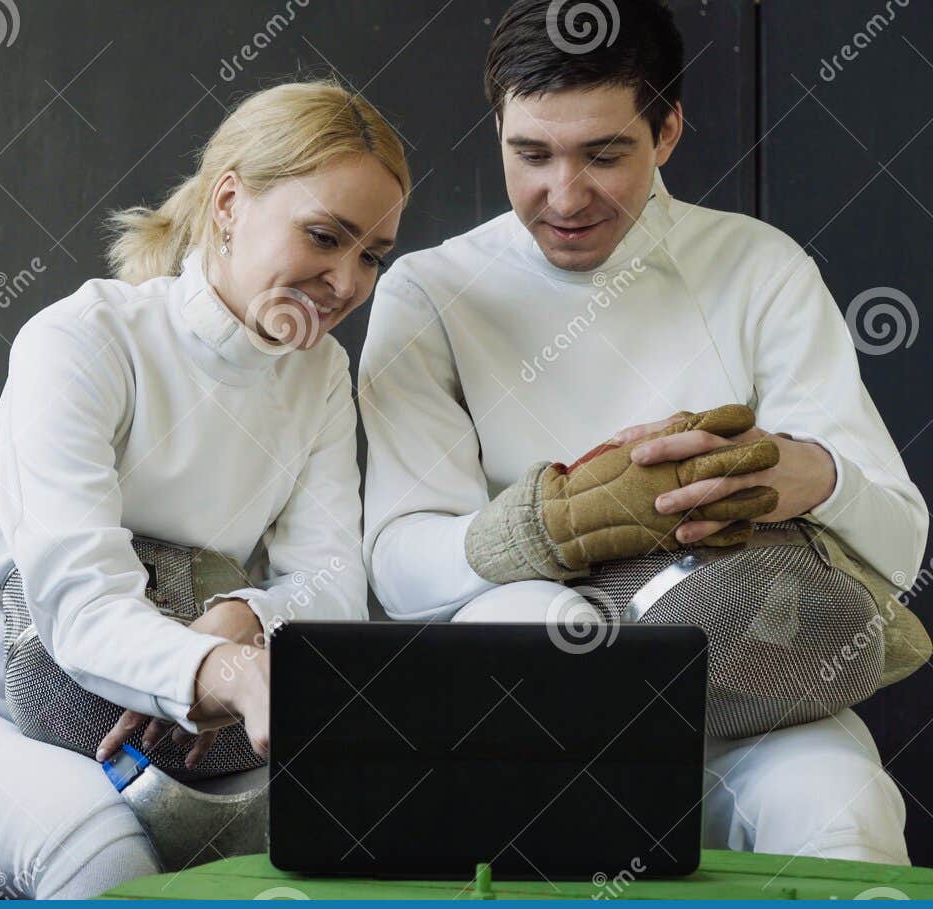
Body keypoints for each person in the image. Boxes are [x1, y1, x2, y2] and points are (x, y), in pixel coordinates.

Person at [360, 0, 927, 865]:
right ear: (500, 129)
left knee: (842, 816)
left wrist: (815, 476)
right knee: (518, 615)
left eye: (605, 154)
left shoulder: (758, 267)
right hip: (529, 709)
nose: (564, 195)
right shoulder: (429, 293)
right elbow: (398, 571)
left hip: (751, 696)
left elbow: (900, 549)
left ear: (666, 132)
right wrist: (545, 527)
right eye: (531, 154)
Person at [0, 79, 408, 898]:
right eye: (324, 236)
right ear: (231, 202)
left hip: (137, 745)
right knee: (104, 855)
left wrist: (241, 618)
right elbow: (79, 605)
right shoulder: (83, 340)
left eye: (372, 255)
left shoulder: (317, 374)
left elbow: (334, 587)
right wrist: (231, 671)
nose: (348, 282)